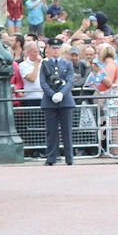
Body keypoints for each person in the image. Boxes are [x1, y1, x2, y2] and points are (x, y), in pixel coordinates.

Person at [40, 37, 75, 165]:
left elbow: (70, 80)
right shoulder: (45, 64)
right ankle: (51, 158)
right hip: (50, 102)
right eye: (53, 48)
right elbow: (43, 82)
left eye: (57, 48)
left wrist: (61, 93)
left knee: (67, 131)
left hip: (65, 100)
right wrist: (52, 94)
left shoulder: (67, 64)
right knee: (51, 131)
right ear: (49, 49)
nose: (55, 51)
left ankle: (69, 158)